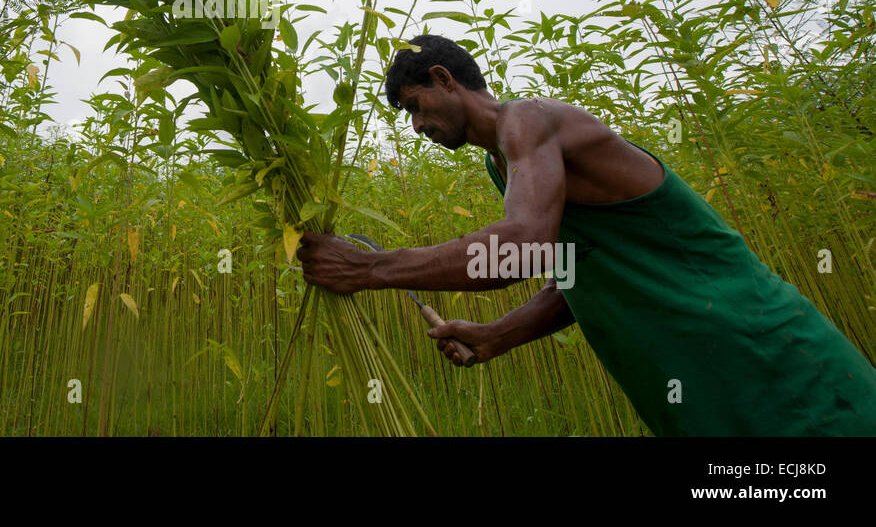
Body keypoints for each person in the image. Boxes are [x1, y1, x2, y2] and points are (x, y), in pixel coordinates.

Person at [297, 34, 876, 435]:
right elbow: (582, 269)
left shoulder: (528, 120)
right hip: (702, 373)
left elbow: (522, 247)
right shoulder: (504, 162)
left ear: (444, 79)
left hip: (759, 355)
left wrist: (369, 269)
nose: (418, 126)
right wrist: (499, 335)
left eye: (415, 106)